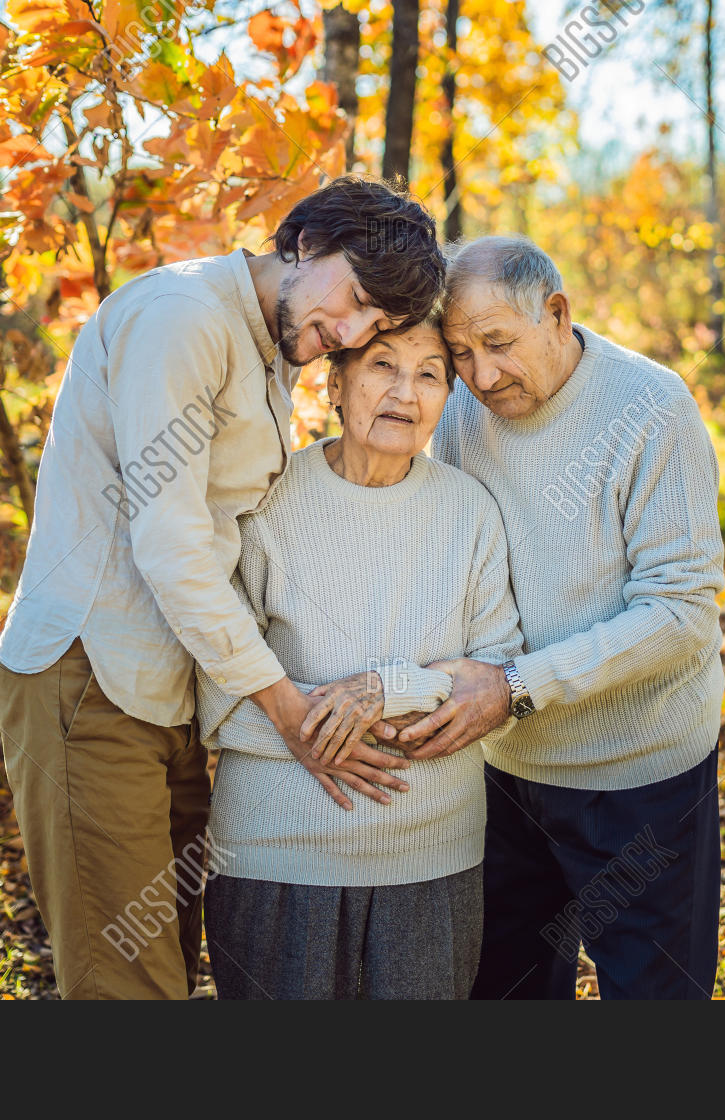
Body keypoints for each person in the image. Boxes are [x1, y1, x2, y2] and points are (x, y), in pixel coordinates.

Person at [0, 176, 444, 999]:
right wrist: (291, 712)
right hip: (89, 681)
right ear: (306, 242)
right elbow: (170, 546)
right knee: (127, 986)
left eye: (374, 325)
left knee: (170, 962)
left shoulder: (270, 347)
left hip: (169, 692)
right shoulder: (184, 320)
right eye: (354, 299)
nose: (346, 332)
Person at [403, 234, 725, 1000]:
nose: (481, 375)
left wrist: (516, 683)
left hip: (642, 776)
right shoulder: (459, 412)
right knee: (505, 991)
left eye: (499, 343)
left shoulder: (651, 408)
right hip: (504, 772)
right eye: (460, 353)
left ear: (556, 313)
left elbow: (680, 611)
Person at [196, 310, 523, 999]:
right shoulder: (265, 500)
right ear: (336, 383)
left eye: (430, 374)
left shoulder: (471, 512)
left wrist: (388, 689)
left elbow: (497, 679)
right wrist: (320, 731)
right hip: (275, 856)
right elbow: (216, 679)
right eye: (382, 366)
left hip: (433, 860)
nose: (405, 393)